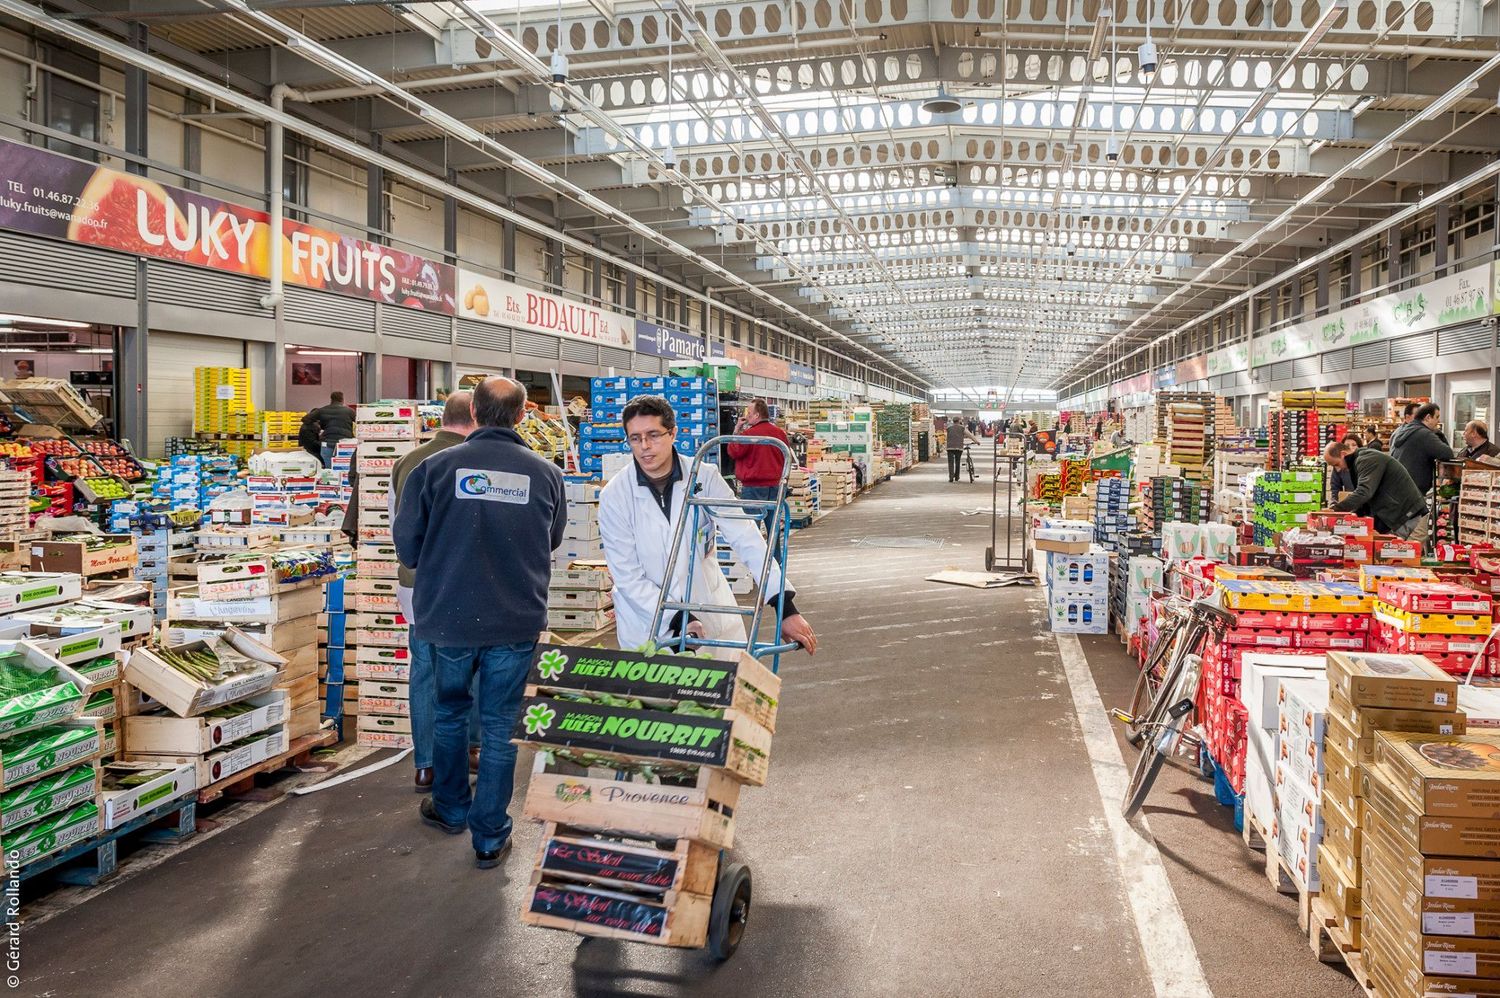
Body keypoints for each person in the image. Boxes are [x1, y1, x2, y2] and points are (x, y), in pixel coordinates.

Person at [393, 376, 566, 869]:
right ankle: (489, 835)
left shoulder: (434, 468)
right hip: (515, 619)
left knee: (449, 713)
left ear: (474, 410)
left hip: (446, 618)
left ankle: (450, 808)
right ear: (523, 413)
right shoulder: (546, 473)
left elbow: (407, 546)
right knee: (498, 727)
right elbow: (550, 540)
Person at [598, 395, 815, 660]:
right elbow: (627, 574)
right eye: (635, 438)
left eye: (653, 435)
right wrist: (677, 618)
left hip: (707, 610)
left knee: (719, 696)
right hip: (647, 621)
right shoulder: (615, 496)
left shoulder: (704, 476)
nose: (644, 446)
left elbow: (745, 535)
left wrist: (784, 605)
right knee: (657, 699)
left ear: (673, 433)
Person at [389, 391, 479, 794]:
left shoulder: (405, 461)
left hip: (417, 583)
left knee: (423, 670)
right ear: (476, 417)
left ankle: (425, 764)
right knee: (474, 666)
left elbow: (398, 525)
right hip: (464, 583)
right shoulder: (475, 460)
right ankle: (470, 749)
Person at [1323, 438, 1430, 544]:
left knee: (1400, 557)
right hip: (1398, 516)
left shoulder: (1367, 459)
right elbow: (1366, 500)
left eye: (1336, 464)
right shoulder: (1358, 462)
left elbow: (1364, 492)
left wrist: (1336, 510)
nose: (1338, 469)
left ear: (1343, 454)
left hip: (1408, 516)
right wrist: (1352, 517)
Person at [727, 399, 793, 564]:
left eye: (749, 413)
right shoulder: (779, 433)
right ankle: (776, 566)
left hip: (754, 488)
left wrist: (737, 429)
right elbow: (787, 459)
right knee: (774, 530)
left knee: (751, 530)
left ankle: (754, 566)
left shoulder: (749, 435)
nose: (747, 416)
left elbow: (733, 452)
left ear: (757, 415)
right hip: (776, 487)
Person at [1390, 402, 1453, 494]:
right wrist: (1439, 434)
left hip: (1398, 485)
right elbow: (1447, 453)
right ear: (1428, 417)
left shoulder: (1402, 431)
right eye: (1437, 417)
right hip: (1412, 489)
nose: (1438, 421)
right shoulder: (1424, 434)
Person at [307, 391, 355, 468]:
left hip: (327, 443)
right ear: (342, 399)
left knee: (329, 470)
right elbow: (360, 421)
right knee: (345, 469)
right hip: (345, 445)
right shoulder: (349, 411)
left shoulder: (322, 410)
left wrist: (316, 428)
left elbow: (306, 419)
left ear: (331, 399)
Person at [945, 418, 979, 482]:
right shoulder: (962, 428)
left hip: (950, 447)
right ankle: (957, 477)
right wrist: (976, 441)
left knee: (950, 463)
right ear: (959, 421)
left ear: (953, 421)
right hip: (959, 447)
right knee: (957, 462)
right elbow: (970, 435)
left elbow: (948, 437)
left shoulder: (948, 428)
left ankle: (951, 477)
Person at [1330, 433, 1363, 498]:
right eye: (1347, 446)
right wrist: (1335, 503)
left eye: (1354, 445)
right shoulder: (1339, 465)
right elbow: (1335, 488)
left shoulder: (1366, 463)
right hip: (1349, 502)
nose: (1350, 448)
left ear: (1359, 447)